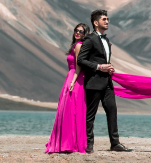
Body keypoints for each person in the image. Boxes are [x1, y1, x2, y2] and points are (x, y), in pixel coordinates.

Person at [77, 10, 131, 153]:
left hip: (107, 83)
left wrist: (109, 67)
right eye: (104, 19)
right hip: (93, 82)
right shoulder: (89, 39)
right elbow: (81, 60)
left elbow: (103, 60)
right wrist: (99, 67)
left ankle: (115, 143)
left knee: (112, 111)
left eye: (108, 19)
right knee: (90, 115)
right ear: (96, 23)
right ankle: (89, 144)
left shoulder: (106, 40)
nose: (107, 21)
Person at [45, 23, 90, 153]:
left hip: (75, 78)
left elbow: (79, 66)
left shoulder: (79, 46)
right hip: (71, 76)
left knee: (71, 108)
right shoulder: (74, 46)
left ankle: (70, 143)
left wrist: (73, 81)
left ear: (84, 34)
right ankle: (66, 142)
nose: (78, 33)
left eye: (81, 31)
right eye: (76, 30)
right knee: (66, 109)